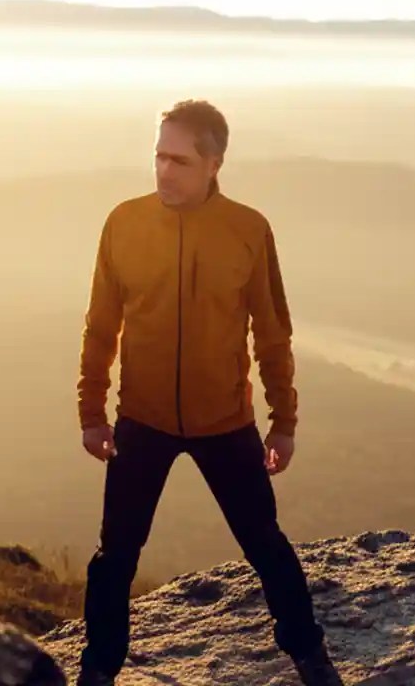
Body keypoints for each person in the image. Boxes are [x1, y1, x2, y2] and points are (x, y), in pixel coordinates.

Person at [74, 99, 345, 686]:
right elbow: (100, 326)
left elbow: (273, 334)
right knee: (114, 557)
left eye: (179, 160)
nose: (164, 171)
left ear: (214, 163)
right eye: (158, 157)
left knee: (265, 544)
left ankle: (310, 656)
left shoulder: (248, 230)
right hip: (140, 421)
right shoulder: (123, 222)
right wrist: (91, 412)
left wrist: (285, 421)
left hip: (225, 422)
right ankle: (97, 672)